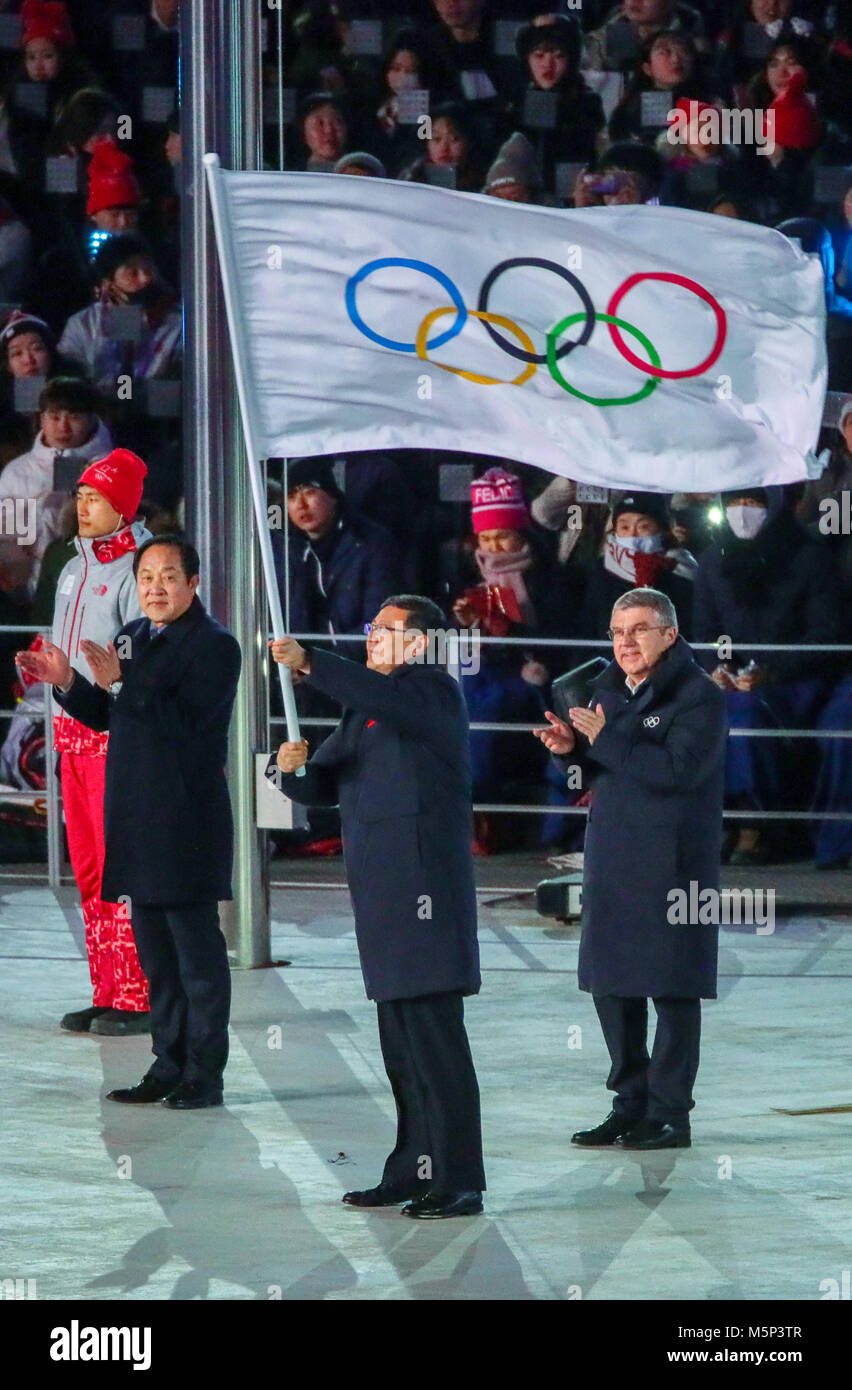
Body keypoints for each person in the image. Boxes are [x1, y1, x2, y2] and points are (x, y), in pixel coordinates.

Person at [269, 595, 485, 1218]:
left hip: (425, 896)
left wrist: (312, 662)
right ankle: (412, 1167)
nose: (372, 639)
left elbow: (381, 696)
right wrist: (293, 773)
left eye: (384, 631)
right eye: (370, 629)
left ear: (419, 643)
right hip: (383, 897)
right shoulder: (364, 711)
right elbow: (326, 788)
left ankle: (459, 1178)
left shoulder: (430, 693)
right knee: (400, 1047)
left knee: (436, 1044)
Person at [16, 535, 242, 1109]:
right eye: (145, 577)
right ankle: (166, 1065)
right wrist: (66, 681)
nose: (155, 588)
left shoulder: (216, 647)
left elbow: (188, 725)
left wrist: (121, 681)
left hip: (186, 819)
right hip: (136, 815)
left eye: (168, 576)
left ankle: (203, 1075)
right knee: (157, 958)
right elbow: (108, 717)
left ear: (193, 583)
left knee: (196, 957)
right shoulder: (134, 637)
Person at [534, 587, 726, 1148]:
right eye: (618, 632)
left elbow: (675, 773)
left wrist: (606, 738)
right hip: (612, 854)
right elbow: (603, 769)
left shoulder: (699, 697)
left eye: (639, 630)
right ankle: (629, 1103)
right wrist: (569, 749)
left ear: (669, 633)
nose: (626, 643)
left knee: (671, 987)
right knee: (611, 984)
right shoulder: (605, 691)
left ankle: (670, 1113)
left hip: (673, 863)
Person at [49, 449, 152, 1035]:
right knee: (88, 869)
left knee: (120, 867)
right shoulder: (71, 567)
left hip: (113, 736)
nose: (83, 507)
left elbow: (137, 659)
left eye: (96, 498)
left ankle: (139, 995)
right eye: (82, 496)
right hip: (70, 734)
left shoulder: (137, 569)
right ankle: (107, 987)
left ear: (123, 508)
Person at [0, 375, 112, 596]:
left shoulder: (113, 468)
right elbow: (7, 538)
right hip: (31, 589)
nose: (63, 426)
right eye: (54, 416)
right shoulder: (17, 472)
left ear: (91, 419)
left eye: (74, 416)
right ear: (41, 419)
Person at [58, 233, 182, 390]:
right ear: (108, 281)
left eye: (148, 269)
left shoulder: (175, 320)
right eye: (133, 273)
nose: (145, 279)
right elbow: (71, 378)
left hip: (158, 406)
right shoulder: (83, 324)